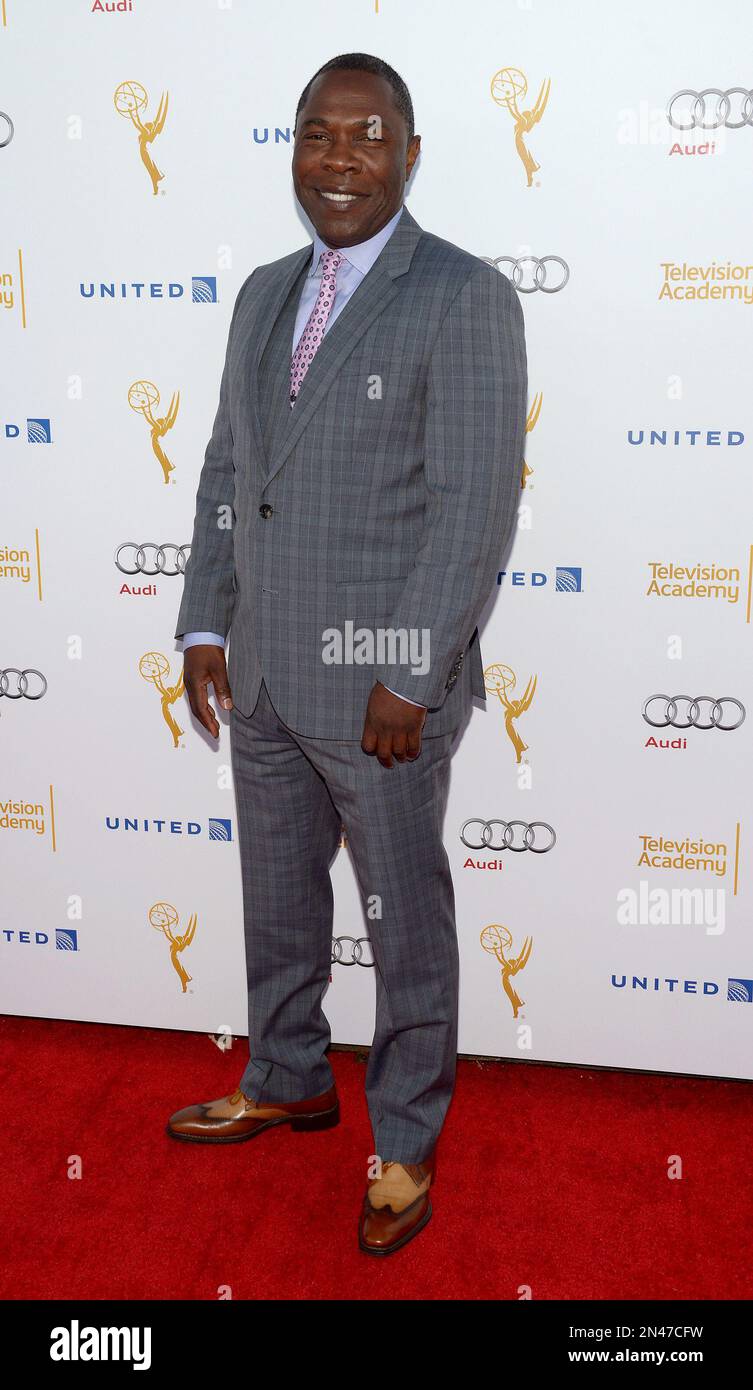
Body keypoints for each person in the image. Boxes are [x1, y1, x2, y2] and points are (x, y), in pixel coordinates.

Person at [167, 52, 527, 1256]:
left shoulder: (463, 295)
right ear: (295, 150)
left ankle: (407, 1141)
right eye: (317, 135)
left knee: (402, 916)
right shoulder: (267, 291)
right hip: (262, 672)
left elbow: (474, 507)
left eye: (366, 137)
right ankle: (288, 1075)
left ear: (409, 153)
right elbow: (230, 469)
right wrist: (207, 620)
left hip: (382, 692)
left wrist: (413, 674)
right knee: (276, 901)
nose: (338, 159)